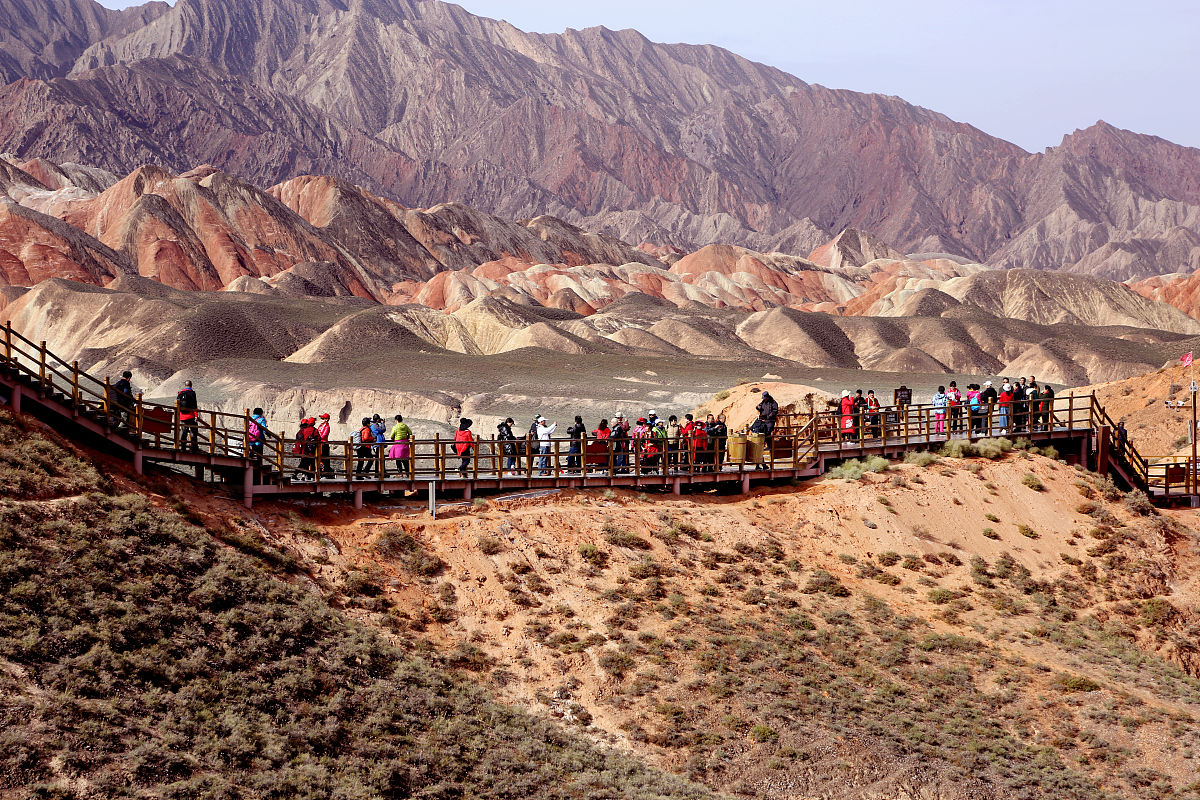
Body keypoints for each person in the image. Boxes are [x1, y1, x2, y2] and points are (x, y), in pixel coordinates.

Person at [177, 380, 199, 452]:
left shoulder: (180, 393)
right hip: (191, 416)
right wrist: (196, 415)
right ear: (191, 385)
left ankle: (183, 448)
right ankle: (194, 447)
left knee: (183, 432)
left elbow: (177, 405)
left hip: (182, 416)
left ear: (185, 385)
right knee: (193, 432)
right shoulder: (192, 393)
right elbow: (194, 405)